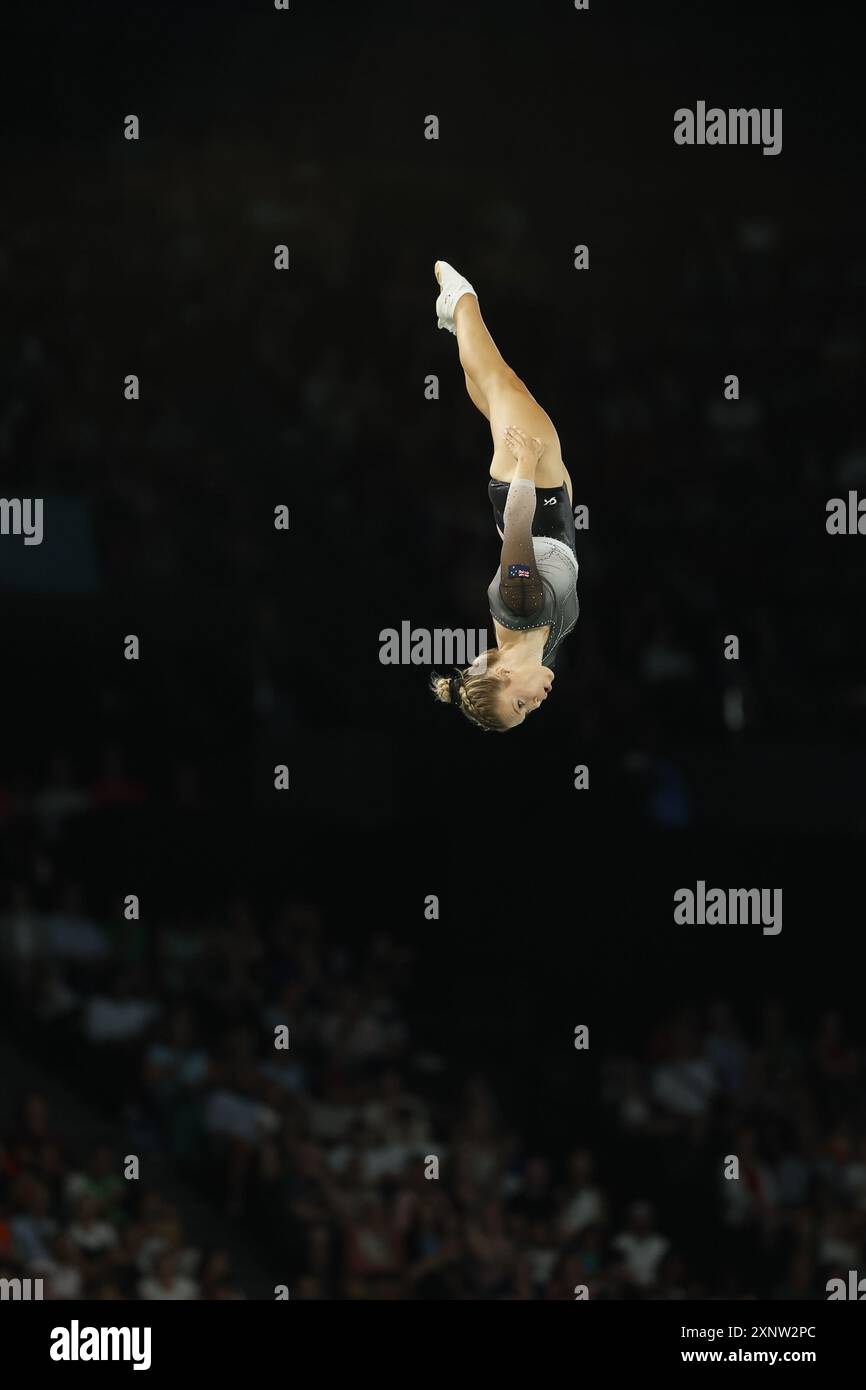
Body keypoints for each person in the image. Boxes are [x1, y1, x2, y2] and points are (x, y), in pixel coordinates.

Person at [429, 261, 579, 730]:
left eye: (520, 704)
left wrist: (528, 465)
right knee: (496, 396)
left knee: (500, 382)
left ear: (504, 673)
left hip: (530, 487)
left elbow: (515, 524)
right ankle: (455, 324)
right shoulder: (533, 644)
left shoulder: (520, 608)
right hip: (552, 508)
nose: (534, 704)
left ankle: (459, 300)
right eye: (527, 713)